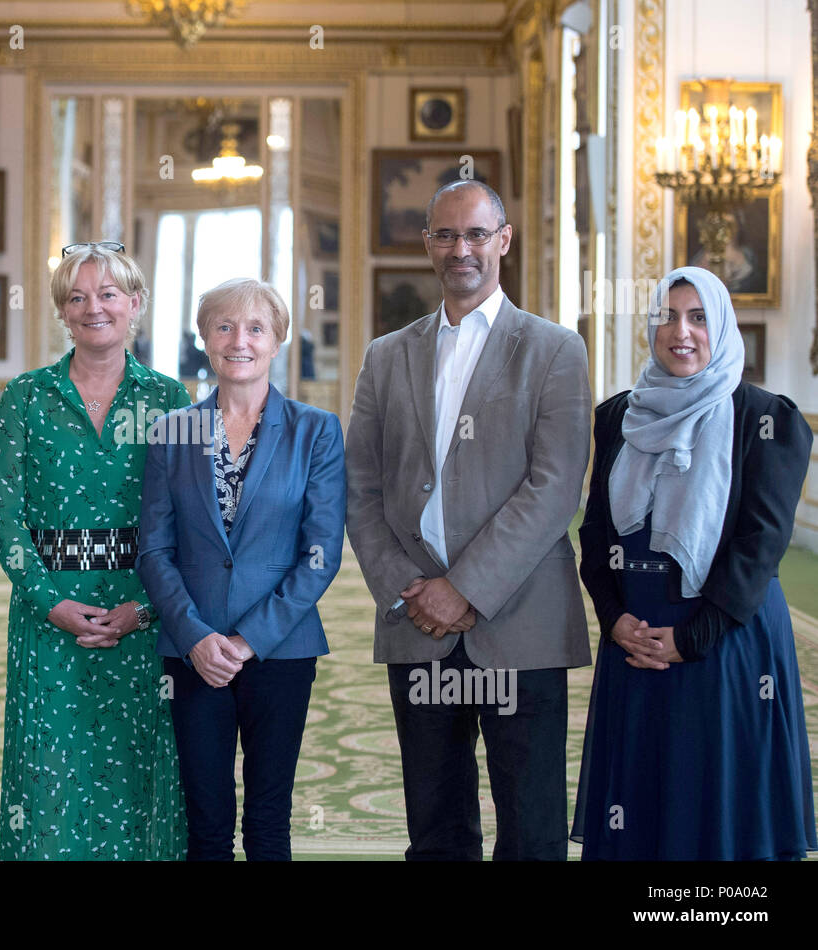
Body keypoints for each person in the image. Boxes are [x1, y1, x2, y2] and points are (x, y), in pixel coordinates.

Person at [345, 180, 592, 860]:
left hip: (520, 621)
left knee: (532, 830)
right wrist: (406, 590)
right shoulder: (386, 356)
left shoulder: (554, 349)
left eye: (477, 234)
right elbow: (360, 487)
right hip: (416, 621)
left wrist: (465, 589)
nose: (462, 249)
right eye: (447, 235)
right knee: (436, 832)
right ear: (428, 243)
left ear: (503, 240)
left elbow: (554, 488)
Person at [573, 266, 815, 860]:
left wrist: (693, 638)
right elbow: (596, 532)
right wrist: (613, 619)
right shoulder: (617, 417)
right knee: (643, 808)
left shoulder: (766, 419)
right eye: (667, 316)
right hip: (636, 639)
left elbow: (759, 547)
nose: (681, 332)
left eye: (699, 317)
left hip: (728, 640)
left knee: (721, 814)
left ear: (723, 326)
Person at [0, 241, 190, 860]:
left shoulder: (170, 400)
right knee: (49, 777)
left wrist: (145, 609)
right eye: (77, 297)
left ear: (136, 304)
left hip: (143, 612)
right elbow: (4, 516)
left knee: (140, 772)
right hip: (48, 616)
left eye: (108, 294)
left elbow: (193, 522)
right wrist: (50, 603)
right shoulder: (26, 396)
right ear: (62, 311)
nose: (93, 308)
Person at [138, 277, 345, 861]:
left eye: (256, 328)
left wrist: (249, 639)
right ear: (205, 339)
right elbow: (154, 550)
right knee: (205, 827)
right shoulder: (172, 431)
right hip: (193, 651)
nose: (239, 341)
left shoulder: (315, 430)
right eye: (224, 327)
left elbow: (321, 553)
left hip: (281, 650)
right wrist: (196, 637)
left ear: (278, 340)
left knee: (268, 822)